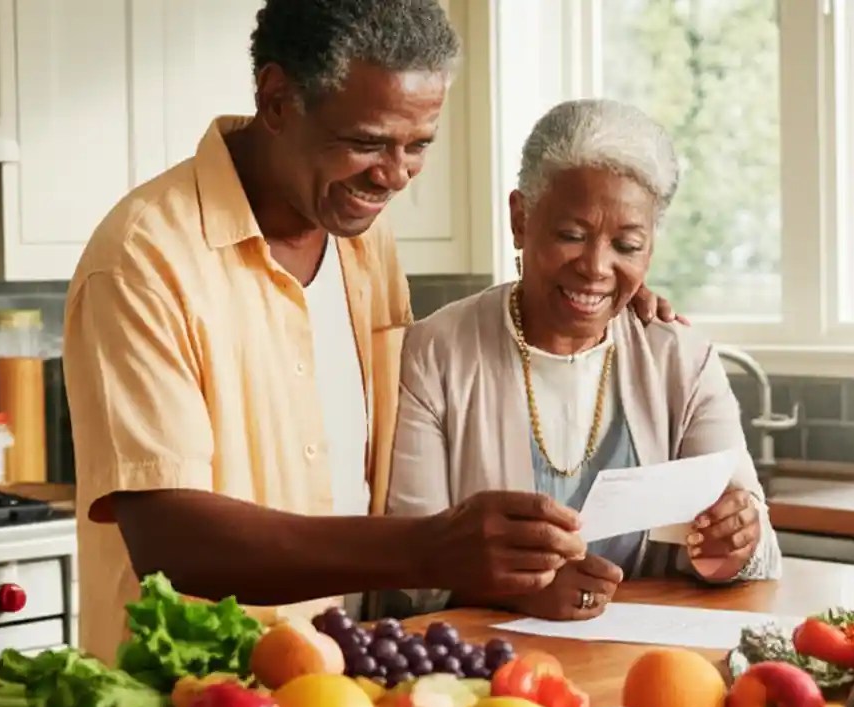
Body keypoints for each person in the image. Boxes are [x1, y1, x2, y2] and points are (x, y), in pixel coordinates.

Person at [62, 0, 681, 664]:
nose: (393, 175)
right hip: (192, 690)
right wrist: (430, 548)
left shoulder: (362, 241)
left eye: (417, 145)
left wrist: (592, 291)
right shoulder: (143, 258)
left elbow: (419, 401)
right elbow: (170, 538)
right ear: (277, 100)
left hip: (339, 679)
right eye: (364, 142)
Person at [384, 98, 784, 621]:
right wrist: (516, 591)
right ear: (521, 219)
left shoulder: (681, 359)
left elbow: (762, 552)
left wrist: (737, 542)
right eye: (571, 235)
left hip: (650, 669)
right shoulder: (437, 354)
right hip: (499, 677)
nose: (596, 267)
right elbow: (411, 576)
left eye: (627, 244)